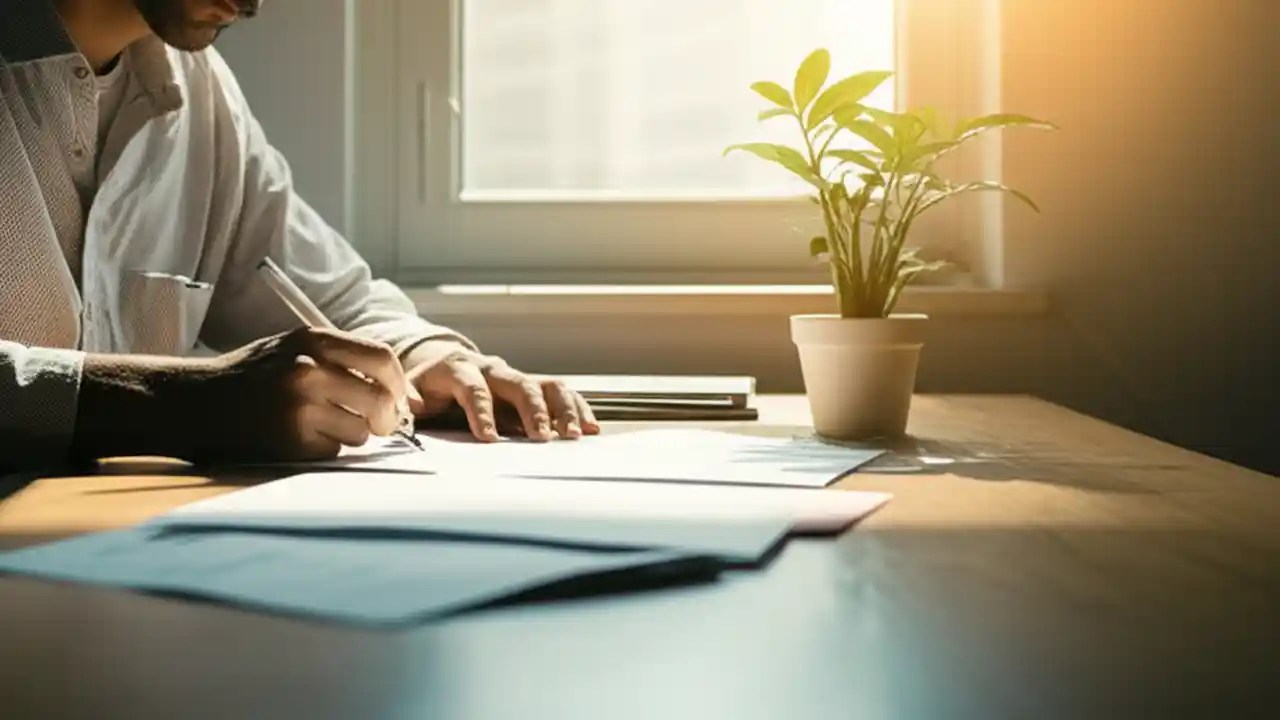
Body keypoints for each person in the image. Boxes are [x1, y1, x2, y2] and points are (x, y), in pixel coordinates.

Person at [0, 0, 599, 469]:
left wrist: (429, 356)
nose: (251, 5)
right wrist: (185, 404)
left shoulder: (198, 91)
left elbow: (324, 295)